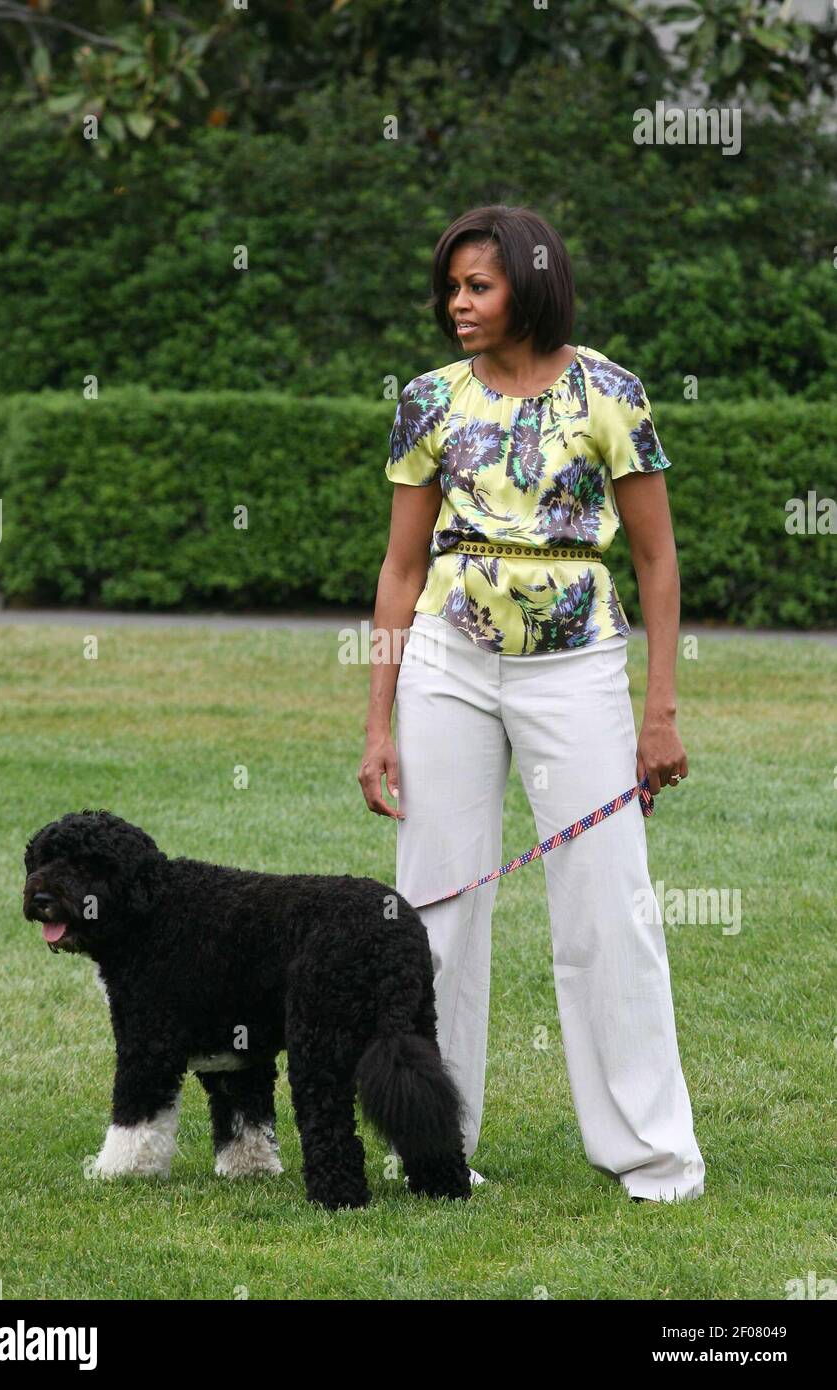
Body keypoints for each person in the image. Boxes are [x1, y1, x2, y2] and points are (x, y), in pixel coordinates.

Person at [359, 204, 705, 1203]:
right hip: (444, 668)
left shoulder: (609, 393)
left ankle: (652, 1156)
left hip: (578, 668)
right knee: (435, 909)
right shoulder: (430, 399)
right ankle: (434, 1151)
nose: (456, 304)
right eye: (452, 288)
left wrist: (661, 712)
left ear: (531, 284)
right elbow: (397, 566)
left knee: (608, 903)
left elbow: (655, 558)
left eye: (479, 286)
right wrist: (377, 723)